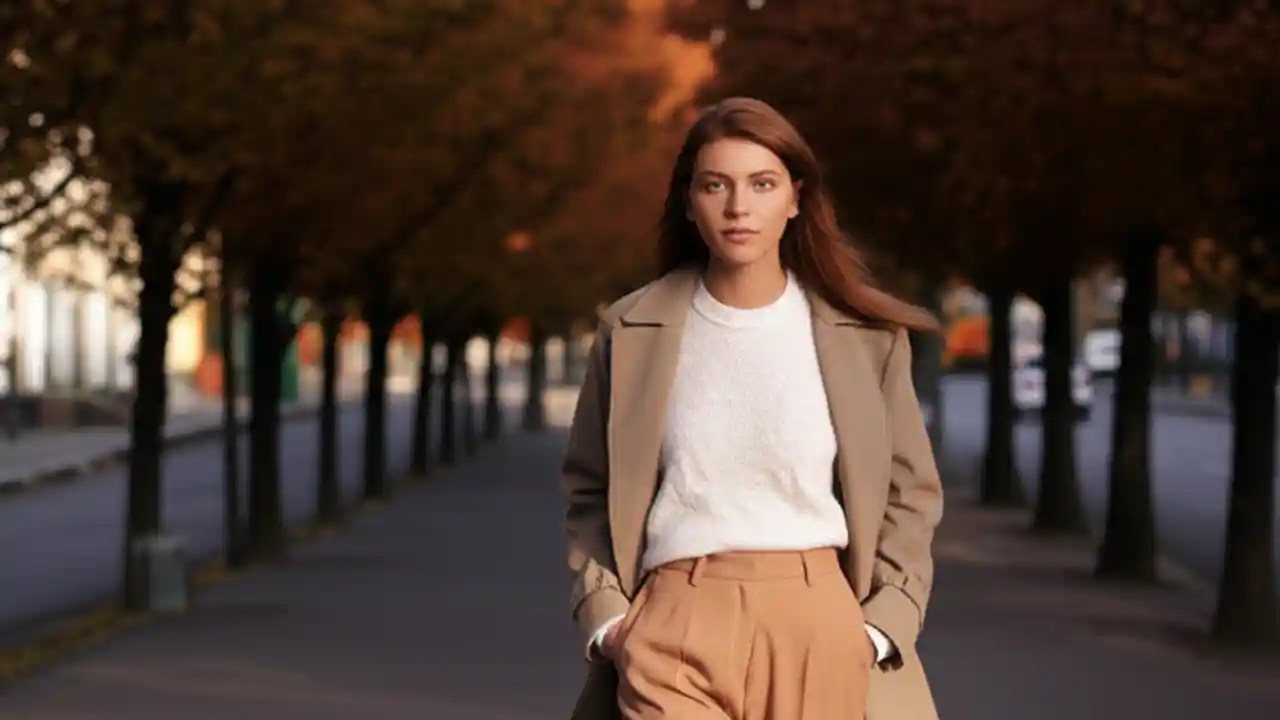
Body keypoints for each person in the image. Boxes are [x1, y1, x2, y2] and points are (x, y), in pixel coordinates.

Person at [560, 97, 944, 720]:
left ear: (794, 198)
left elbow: (911, 493)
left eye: (761, 185)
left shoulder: (864, 336)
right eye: (716, 185)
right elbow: (588, 488)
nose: (739, 207)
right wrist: (609, 621)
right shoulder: (633, 330)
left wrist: (881, 626)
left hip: (822, 619)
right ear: (689, 201)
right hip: (672, 622)